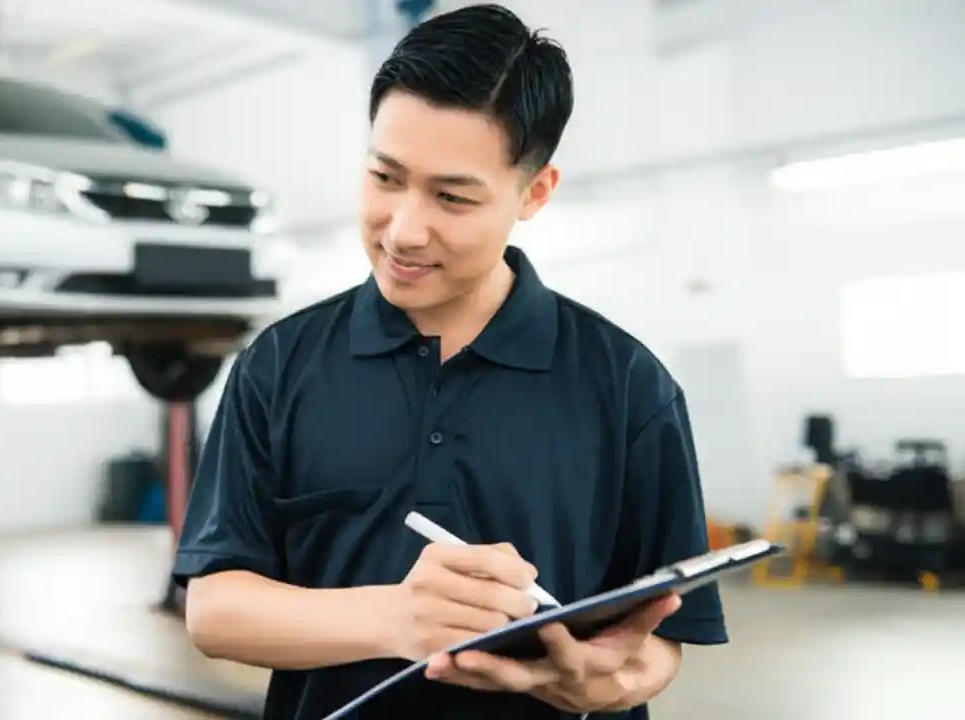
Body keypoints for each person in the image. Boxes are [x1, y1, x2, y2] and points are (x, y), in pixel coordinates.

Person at [173, 4, 726, 719]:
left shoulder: (626, 386)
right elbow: (214, 610)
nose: (403, 230)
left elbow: (663, 636)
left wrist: (607, 683)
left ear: (535, 193)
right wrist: (395, 618)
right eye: (384, 177)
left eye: (452, 197)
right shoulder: (278, 366)